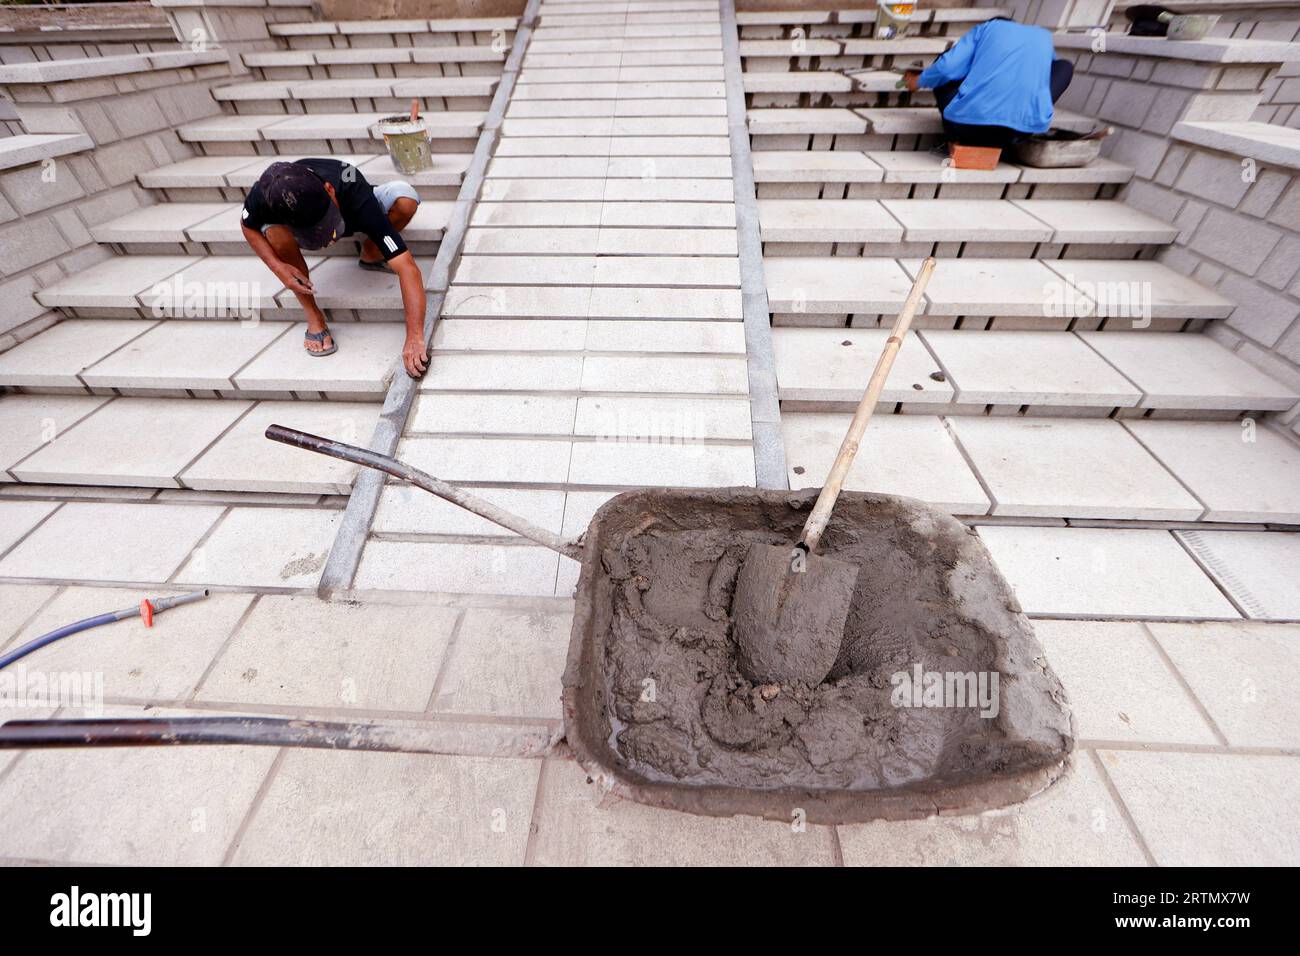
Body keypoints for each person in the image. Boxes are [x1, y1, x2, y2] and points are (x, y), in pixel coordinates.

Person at [240, 158, 429, 378]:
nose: (326, 239)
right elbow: (247, 226)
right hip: (293, 223)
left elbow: (407, 268)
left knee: (405, 198)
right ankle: (314, 316)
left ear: (329, 190)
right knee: (275, 235)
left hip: (352, 214)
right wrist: (278, 267)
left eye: (323, 222)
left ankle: (372, 252)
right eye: (315, 230)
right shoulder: (265, 194)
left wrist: (414, 336)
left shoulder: (351, 185)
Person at [903, 17, 1073, 150]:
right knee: (1064, 66)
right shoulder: (1043, 36)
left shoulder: (987, 28)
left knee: (947, 59)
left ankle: (962, 132)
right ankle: (1028, 116)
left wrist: (918, 81)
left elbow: (947, 68)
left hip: (965, 128)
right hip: (1019, 133)